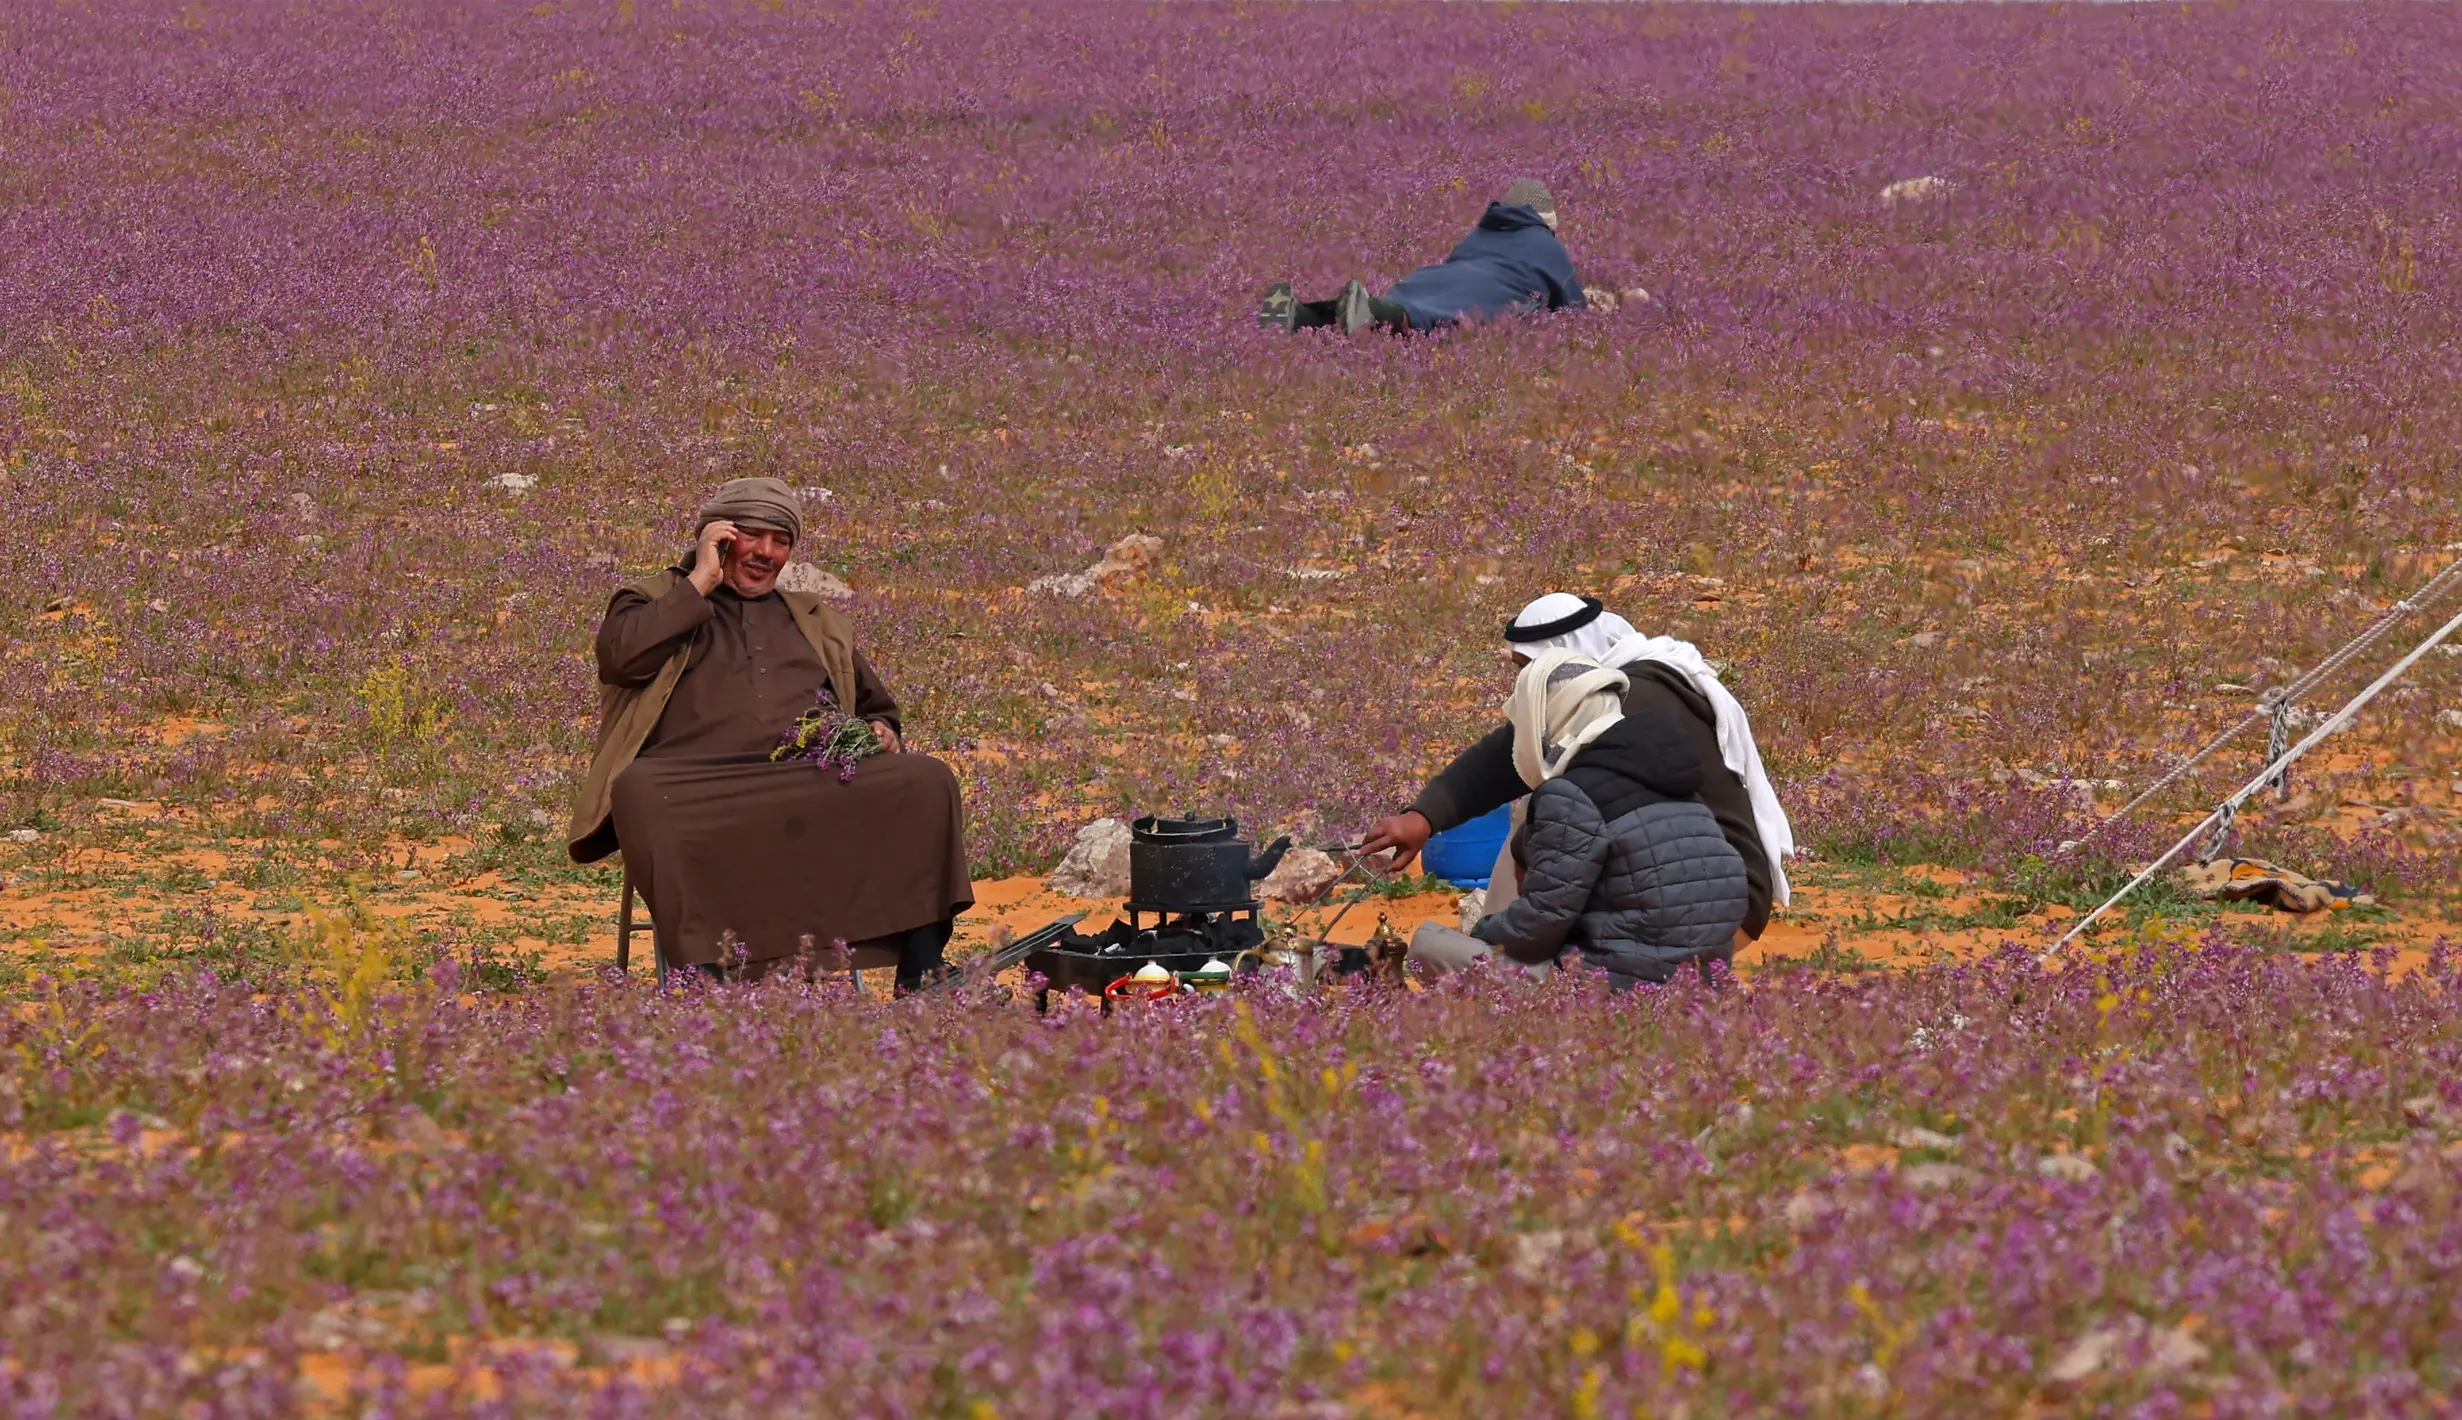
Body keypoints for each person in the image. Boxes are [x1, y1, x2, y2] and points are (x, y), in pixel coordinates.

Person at [565, 477, 972, 988]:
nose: (766, 552)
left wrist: (879, 730)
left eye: (781, 541)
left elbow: (877, 706)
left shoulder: (813, 619)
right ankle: (702, 976)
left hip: (805, 777)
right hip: (694, 785)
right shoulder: (651, 599)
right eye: (751, 536)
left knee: (927, 780)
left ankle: (923, 970)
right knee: (639, 790)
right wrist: (701, 581)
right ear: (715, 539)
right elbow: (620, 660)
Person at [1361, 593, 1794, 955]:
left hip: (1693, 920)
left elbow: (1512, 765)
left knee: (1545, 803)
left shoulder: (1626, 703)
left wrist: (1495, 940)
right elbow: (1509, 753)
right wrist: (1424, 816)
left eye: (1525, 669)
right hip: (1718, 908)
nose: (1522, 682)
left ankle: (1509, 974)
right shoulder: (1631, 692)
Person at [1407, 652, 1751, 987]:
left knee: (1428, 946)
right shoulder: (1679, 783)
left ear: (1547, 717)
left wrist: (1481, 935)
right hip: (1703, 988)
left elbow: (1537, 929)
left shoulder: (1570, 796)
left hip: (1611, 993)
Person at [1258, 180, 1594, 336]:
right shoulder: (1549, 249)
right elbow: (1573, 311)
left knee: (1400, 305)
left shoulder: (1479, 234)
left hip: (1433, 278)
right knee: (1418, 319)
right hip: (1484, 294)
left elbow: (1455, 262)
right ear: (1548, 222)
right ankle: (1367, 310)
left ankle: (1299, 314)